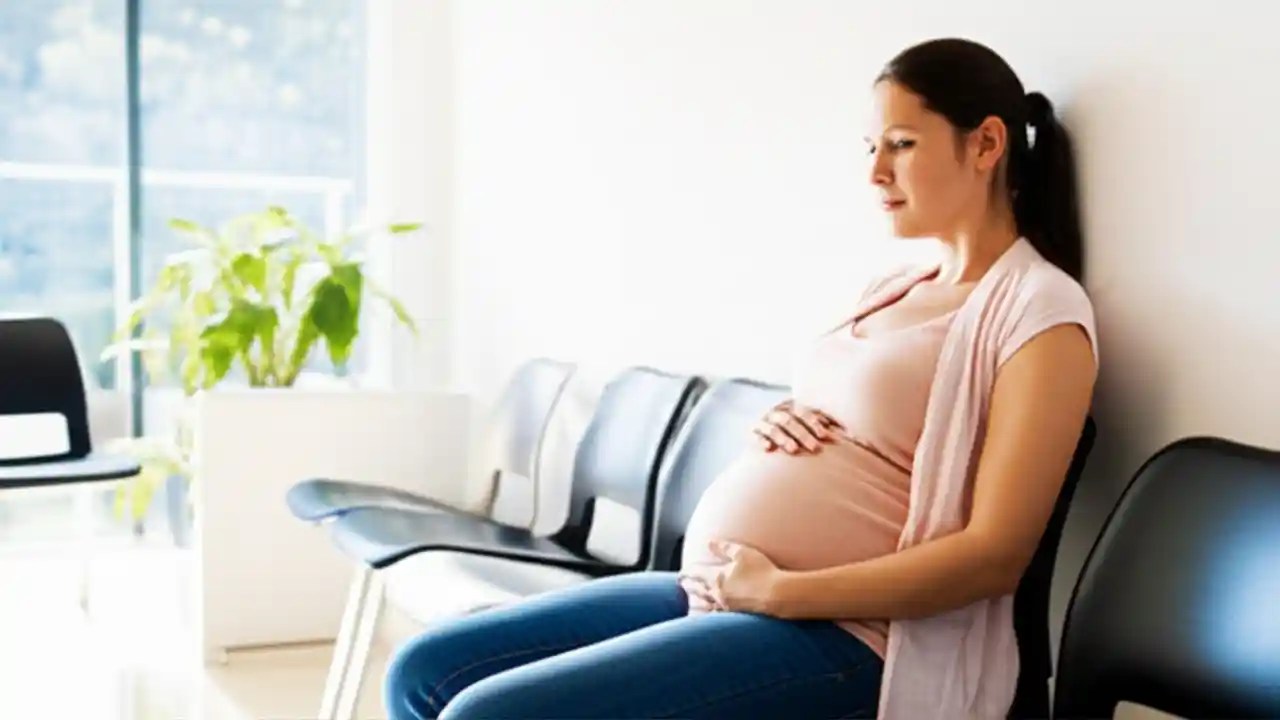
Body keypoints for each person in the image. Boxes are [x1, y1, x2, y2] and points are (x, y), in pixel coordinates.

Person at [384, 37, 1098, 720]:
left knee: (485, 713)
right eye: (870, 147)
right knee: (424, 673)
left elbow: (993, 557)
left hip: (856, 635)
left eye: (902, 145)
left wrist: (786, 592)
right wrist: (784, 420)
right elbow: (872, 428)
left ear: (986, 144)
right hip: (726, 590)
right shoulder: (894, 285)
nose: (875, 171)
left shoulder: (1041, 312)